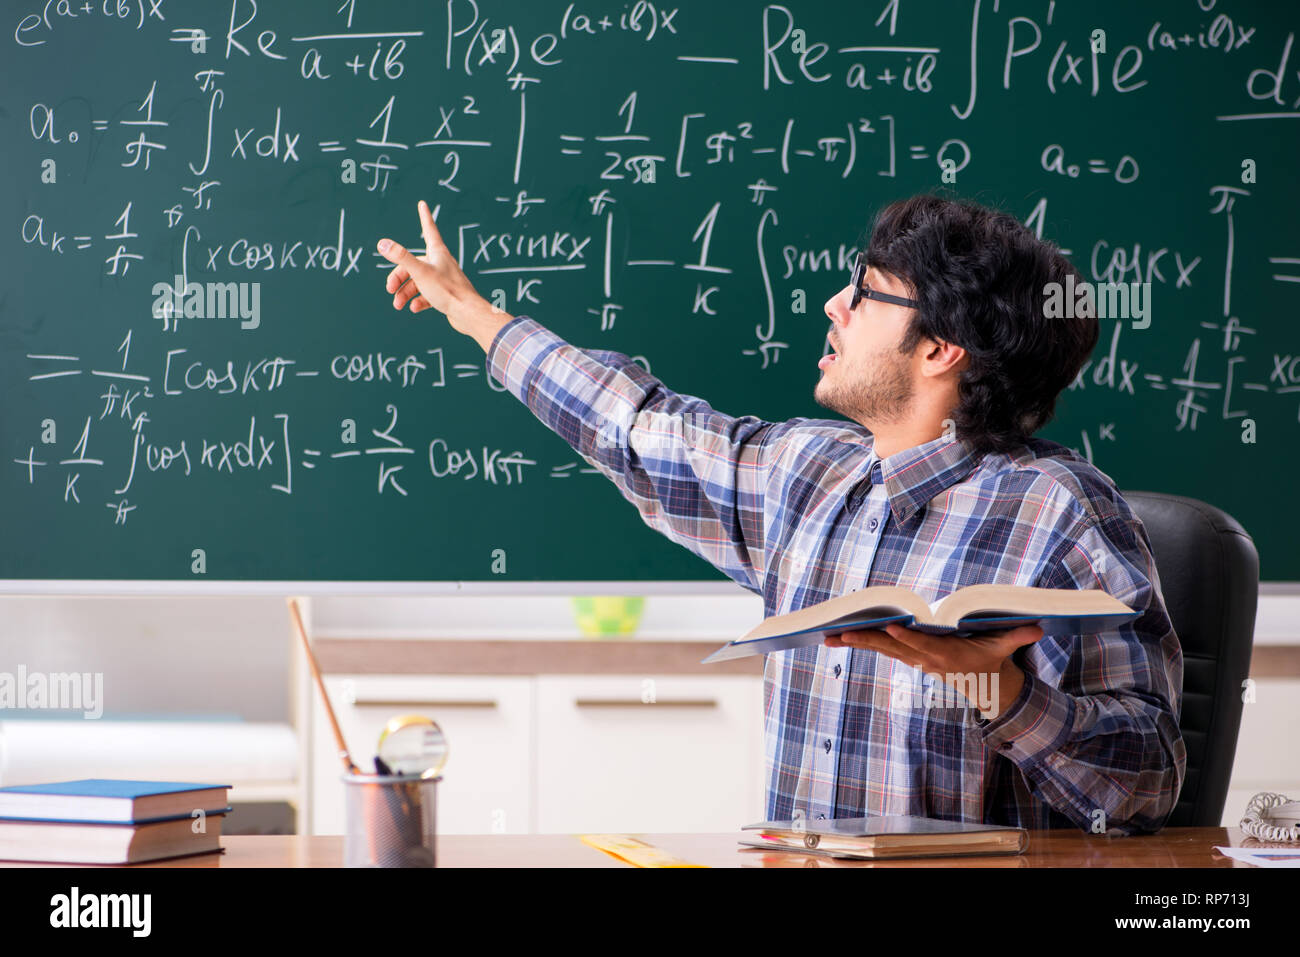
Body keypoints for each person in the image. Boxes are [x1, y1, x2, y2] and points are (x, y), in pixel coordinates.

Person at [376, 194, 1185, 834]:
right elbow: (634, 425)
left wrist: (1005, 692)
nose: (835, 303)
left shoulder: (1064, 514)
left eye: (866, 293)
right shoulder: (807, 473)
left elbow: (1149, 784)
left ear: (940, 349)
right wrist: (475, 315)